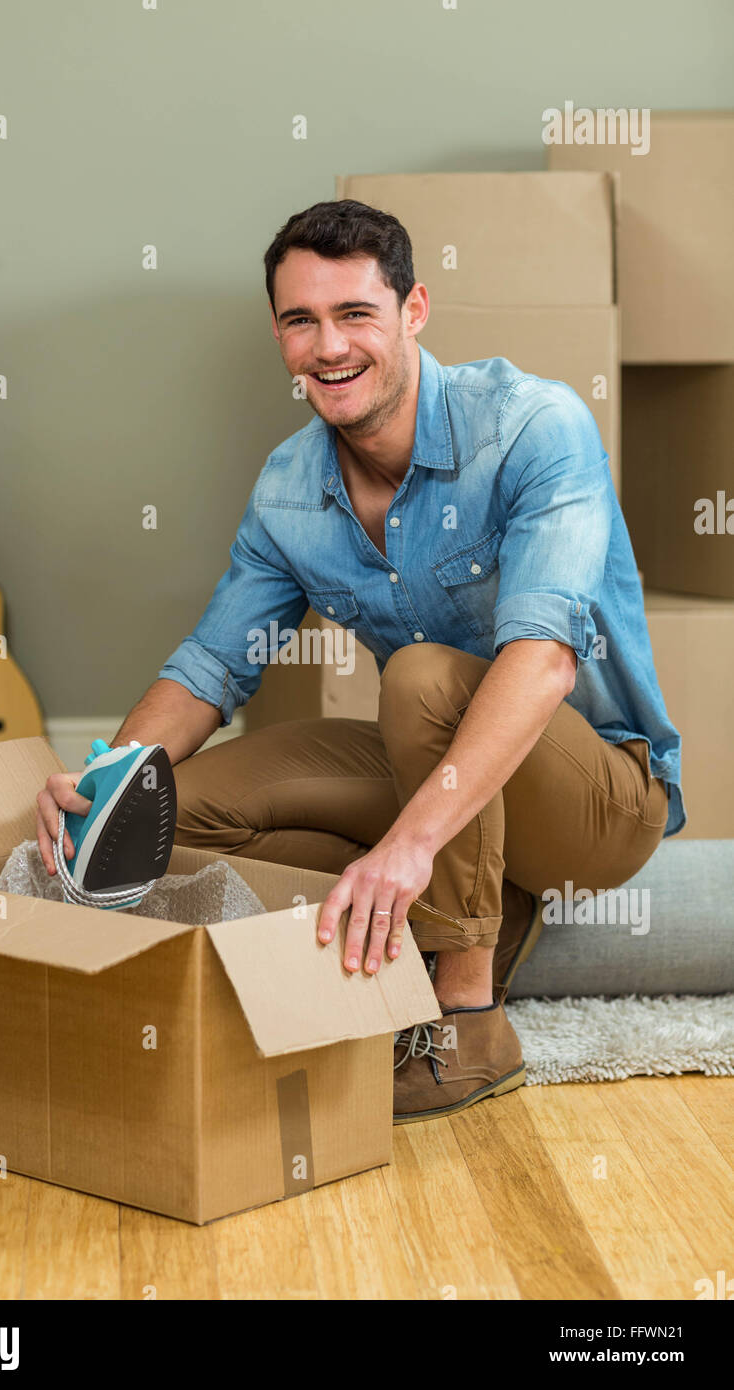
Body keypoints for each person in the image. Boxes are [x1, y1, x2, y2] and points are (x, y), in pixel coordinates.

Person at [36, 199, 684, 1122]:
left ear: (413, 310)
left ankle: (468, 1017)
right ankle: (464, 902)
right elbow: (211, 668)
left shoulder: (534, 426)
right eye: (301, 320)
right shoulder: (288, 490)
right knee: (171, 820)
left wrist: (410, 846)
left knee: (420, 675)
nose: (328, 346)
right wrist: (106, 780)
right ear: (278, 333)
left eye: (355, 315)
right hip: (434, 770)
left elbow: (542, 662)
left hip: (596, 795)